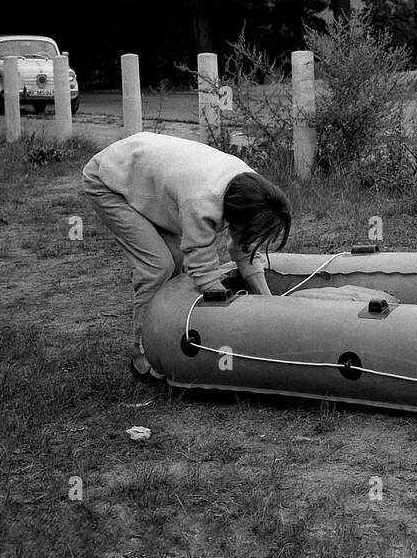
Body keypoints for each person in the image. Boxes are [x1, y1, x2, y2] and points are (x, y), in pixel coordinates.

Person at [82, 131, 292, 378]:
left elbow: (243, 249)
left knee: (176, 259)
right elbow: (201, 265)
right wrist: (219, 294)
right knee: (157, 266)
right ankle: (141, 352)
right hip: (109, 179)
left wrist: (270, 305)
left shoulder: (250, 188)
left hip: (151, 177)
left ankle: (163, 333)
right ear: (242, 215)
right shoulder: (202, 200)